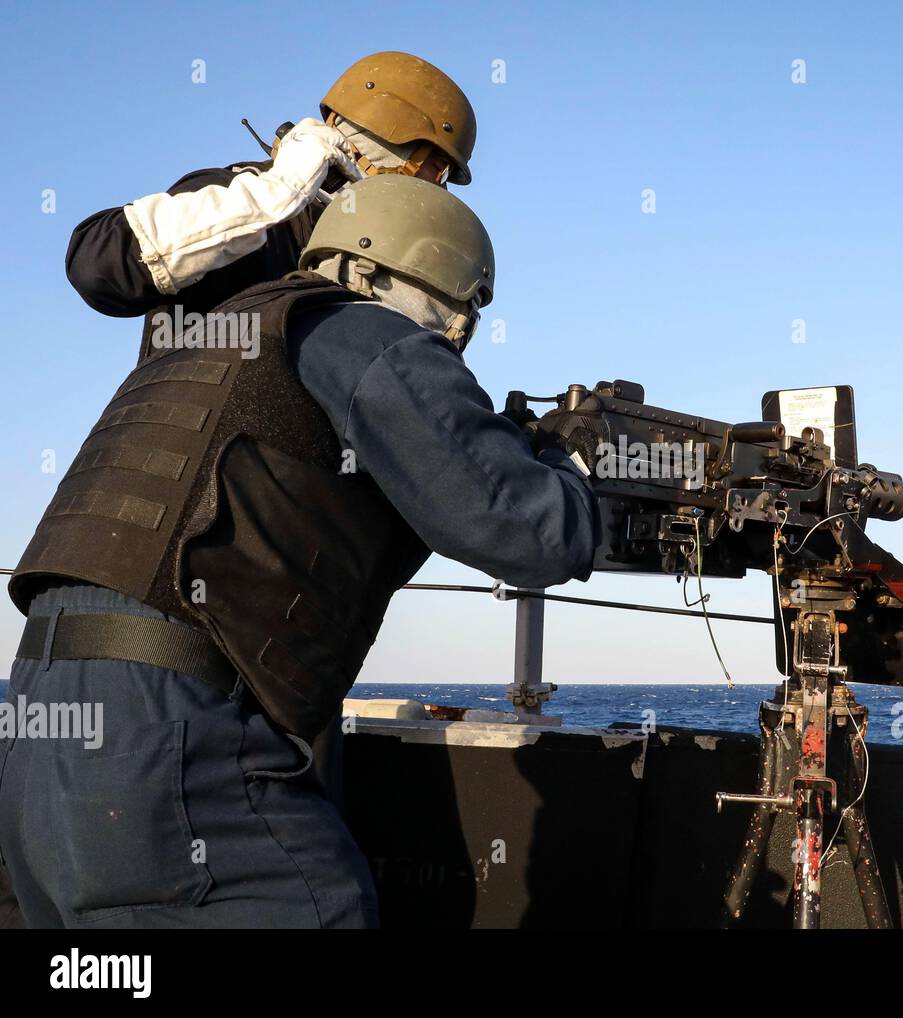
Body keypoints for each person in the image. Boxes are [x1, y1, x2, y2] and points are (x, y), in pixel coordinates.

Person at [0, 175, 600, 928]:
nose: (454, 336)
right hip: (166, 728)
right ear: (387, 273)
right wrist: (575, 464)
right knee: (318, 910)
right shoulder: (366, 333)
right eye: (457, 309)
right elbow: (529, 533)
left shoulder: (216, 339)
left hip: (38, 723)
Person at [65, 50, 477, 362]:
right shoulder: (251, 202)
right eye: (434, 169)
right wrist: (272, 195)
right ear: (381, 139)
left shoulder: (374, 259)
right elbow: (97, 267)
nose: (437, 192)